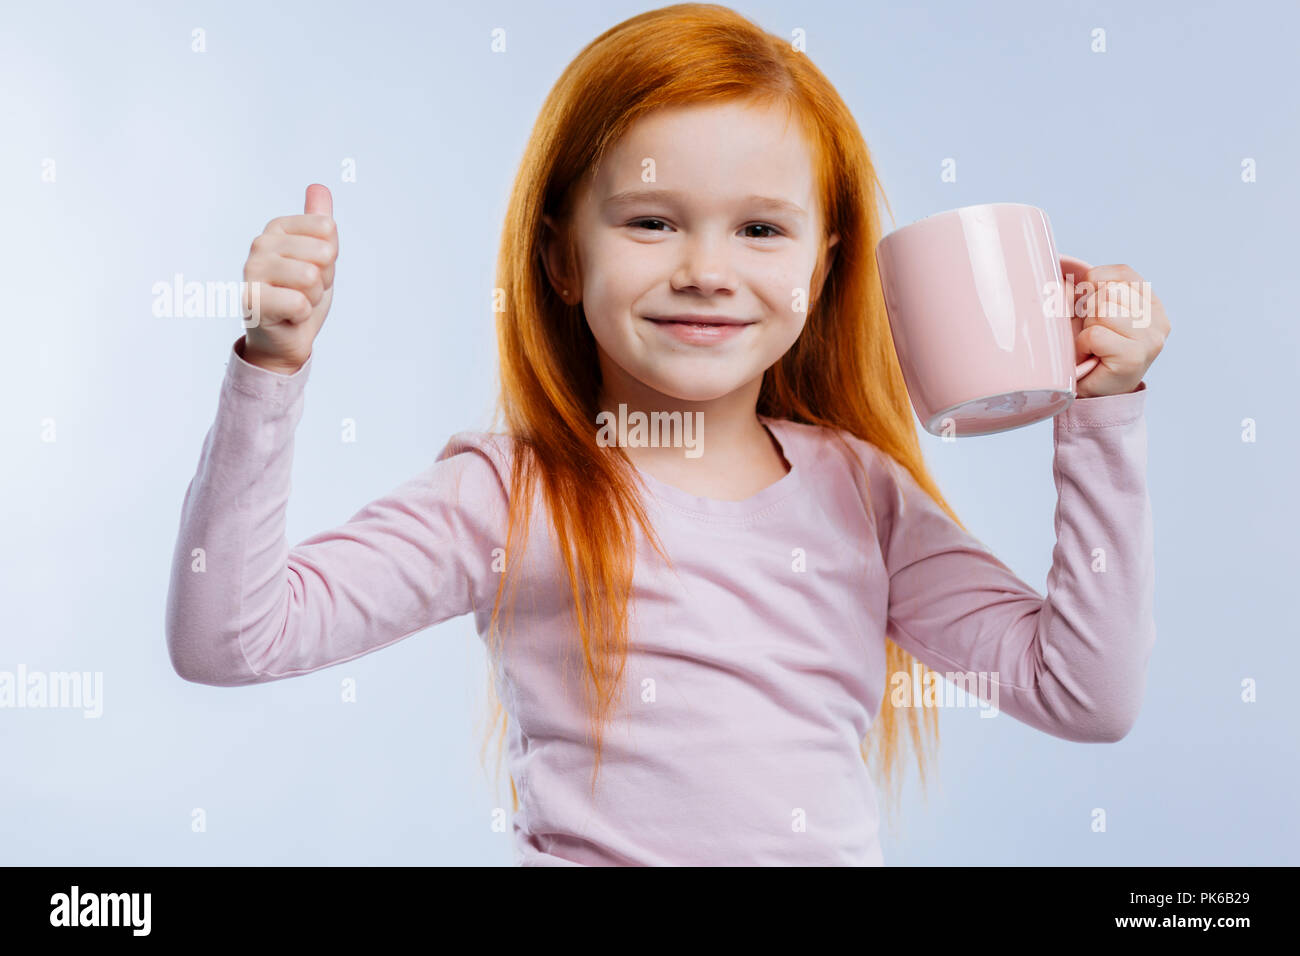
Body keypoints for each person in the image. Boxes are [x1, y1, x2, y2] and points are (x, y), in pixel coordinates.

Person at [165, 3, 1170, 866]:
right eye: (651, 221)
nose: (705, 269)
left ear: (821, 266)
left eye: (760, 229)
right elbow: (232, 638)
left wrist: (1101, 412)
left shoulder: (861, 497)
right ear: (560, 255)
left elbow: (1082, 691)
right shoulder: (516, 493)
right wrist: (271, 365)